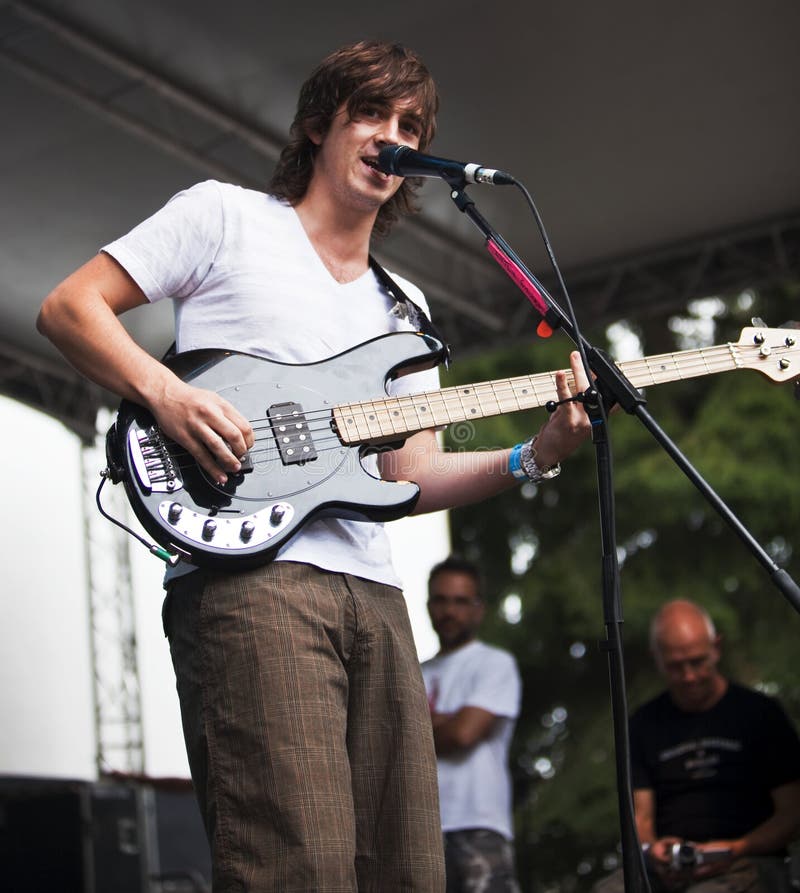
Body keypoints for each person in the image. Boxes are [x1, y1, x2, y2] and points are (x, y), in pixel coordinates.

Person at [37, 40, 592, 892]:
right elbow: (69, 307)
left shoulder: (406, 308)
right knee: (297, 867)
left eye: (410, 125)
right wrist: (166, 394)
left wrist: (535, 454)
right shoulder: (225, 217)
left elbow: (412, 479)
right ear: (315, 126)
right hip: (252, 582)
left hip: (374, 596)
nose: (392, 135)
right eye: (371, 114)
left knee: (409, 870)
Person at [597, 598, 800, 893]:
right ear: (656, 658)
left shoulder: (760, 713)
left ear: (716, 647)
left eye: (697, 662)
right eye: (676, 667)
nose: (689, 676)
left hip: (750, 862)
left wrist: (735, 848)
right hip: (670, 871)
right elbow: (640, 816)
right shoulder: (642, 724)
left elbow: (793, 812)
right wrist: (655, 852)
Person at [421, 556, 523, 892]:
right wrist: (449, 720)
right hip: (420, 829)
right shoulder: (412, 672)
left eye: (461, 601)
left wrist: (422, 727)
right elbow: (388, 744)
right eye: (441, 600)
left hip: (480, 824)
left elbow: (464, 734)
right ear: (428, 604)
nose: (449, 611)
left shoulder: (495, 664)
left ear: (479, 608)